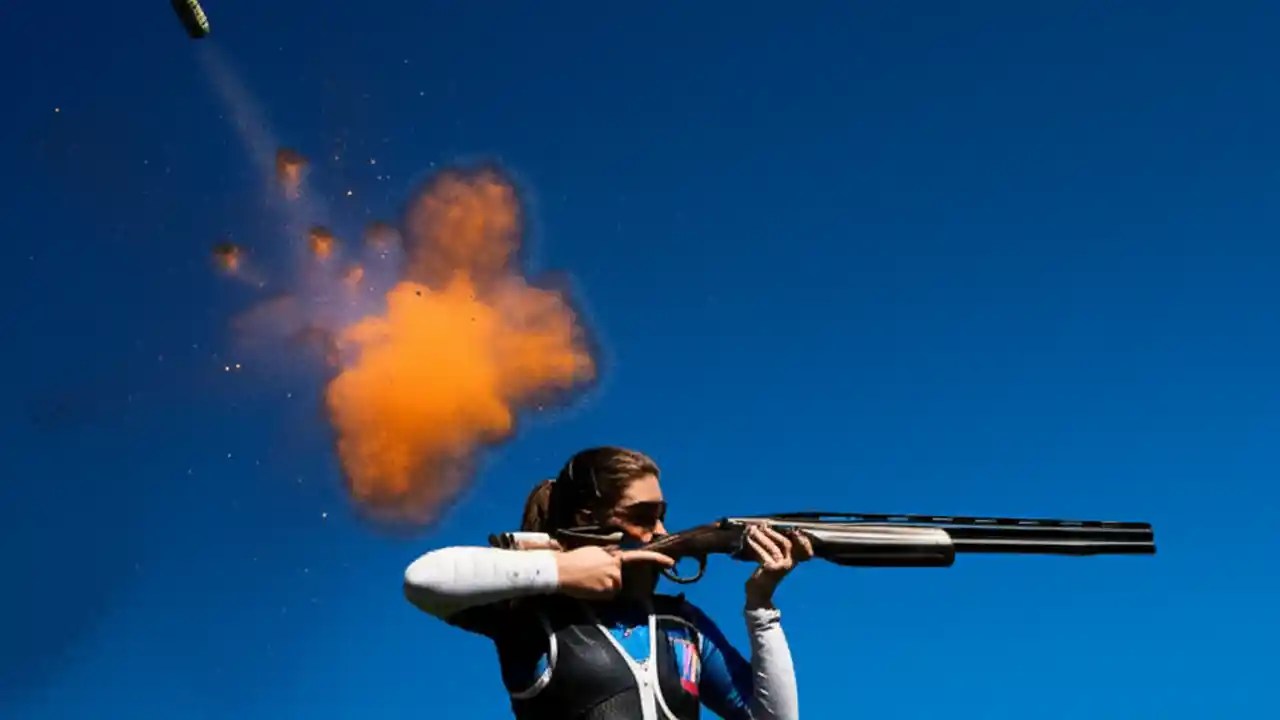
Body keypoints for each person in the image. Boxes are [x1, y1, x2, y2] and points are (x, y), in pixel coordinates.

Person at [403, 446, 812, 720]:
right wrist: (561, 571)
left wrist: (761, 607)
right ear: (587, 520)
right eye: (643, 515)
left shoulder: (681, 625)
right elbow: (423, 579)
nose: (661, 531)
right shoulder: (532, 616)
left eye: (662, 514)